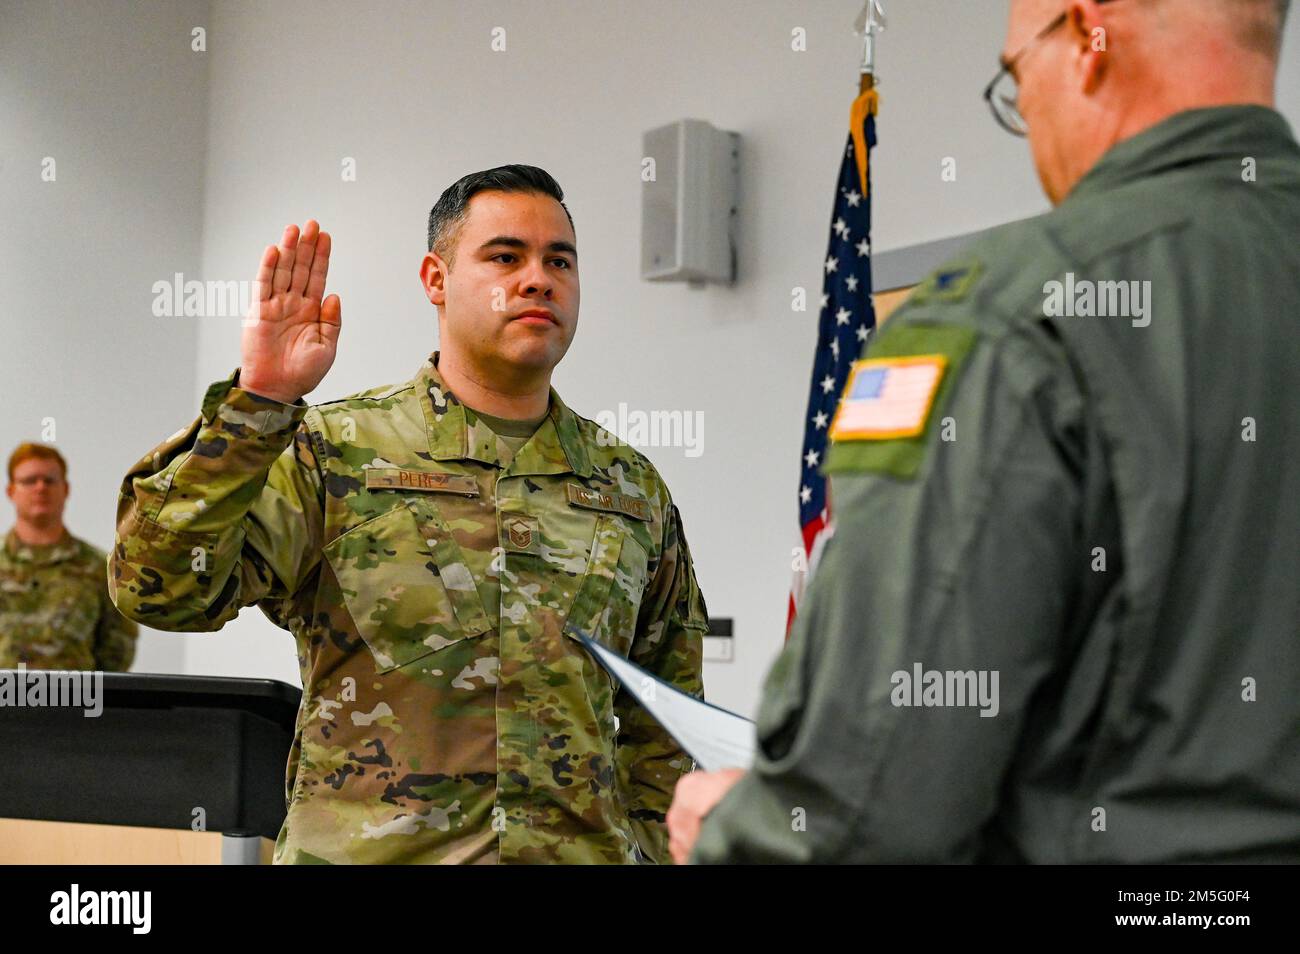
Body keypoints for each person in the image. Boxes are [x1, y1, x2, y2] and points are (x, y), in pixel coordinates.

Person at [670, 0, 1299, 863]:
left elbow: (867, 816)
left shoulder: (1010, 318)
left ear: (1086, 40)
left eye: (1015, 79)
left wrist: (737, 834)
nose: (1025, 115)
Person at [110, 165, 708, 864]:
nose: (538, 279)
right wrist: (257, 404)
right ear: (436, 279)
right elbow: (161, 591)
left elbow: (668, 717)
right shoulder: (336, 452)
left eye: (559, 261)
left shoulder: (628, 488)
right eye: (505, 256)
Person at [1, 443, 137, 671]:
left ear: (66, 489)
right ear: (11, 491)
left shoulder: (102, 569)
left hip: (74, 702)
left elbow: (117, 652)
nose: (40, 487)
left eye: (50, 480)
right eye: (29, 480)